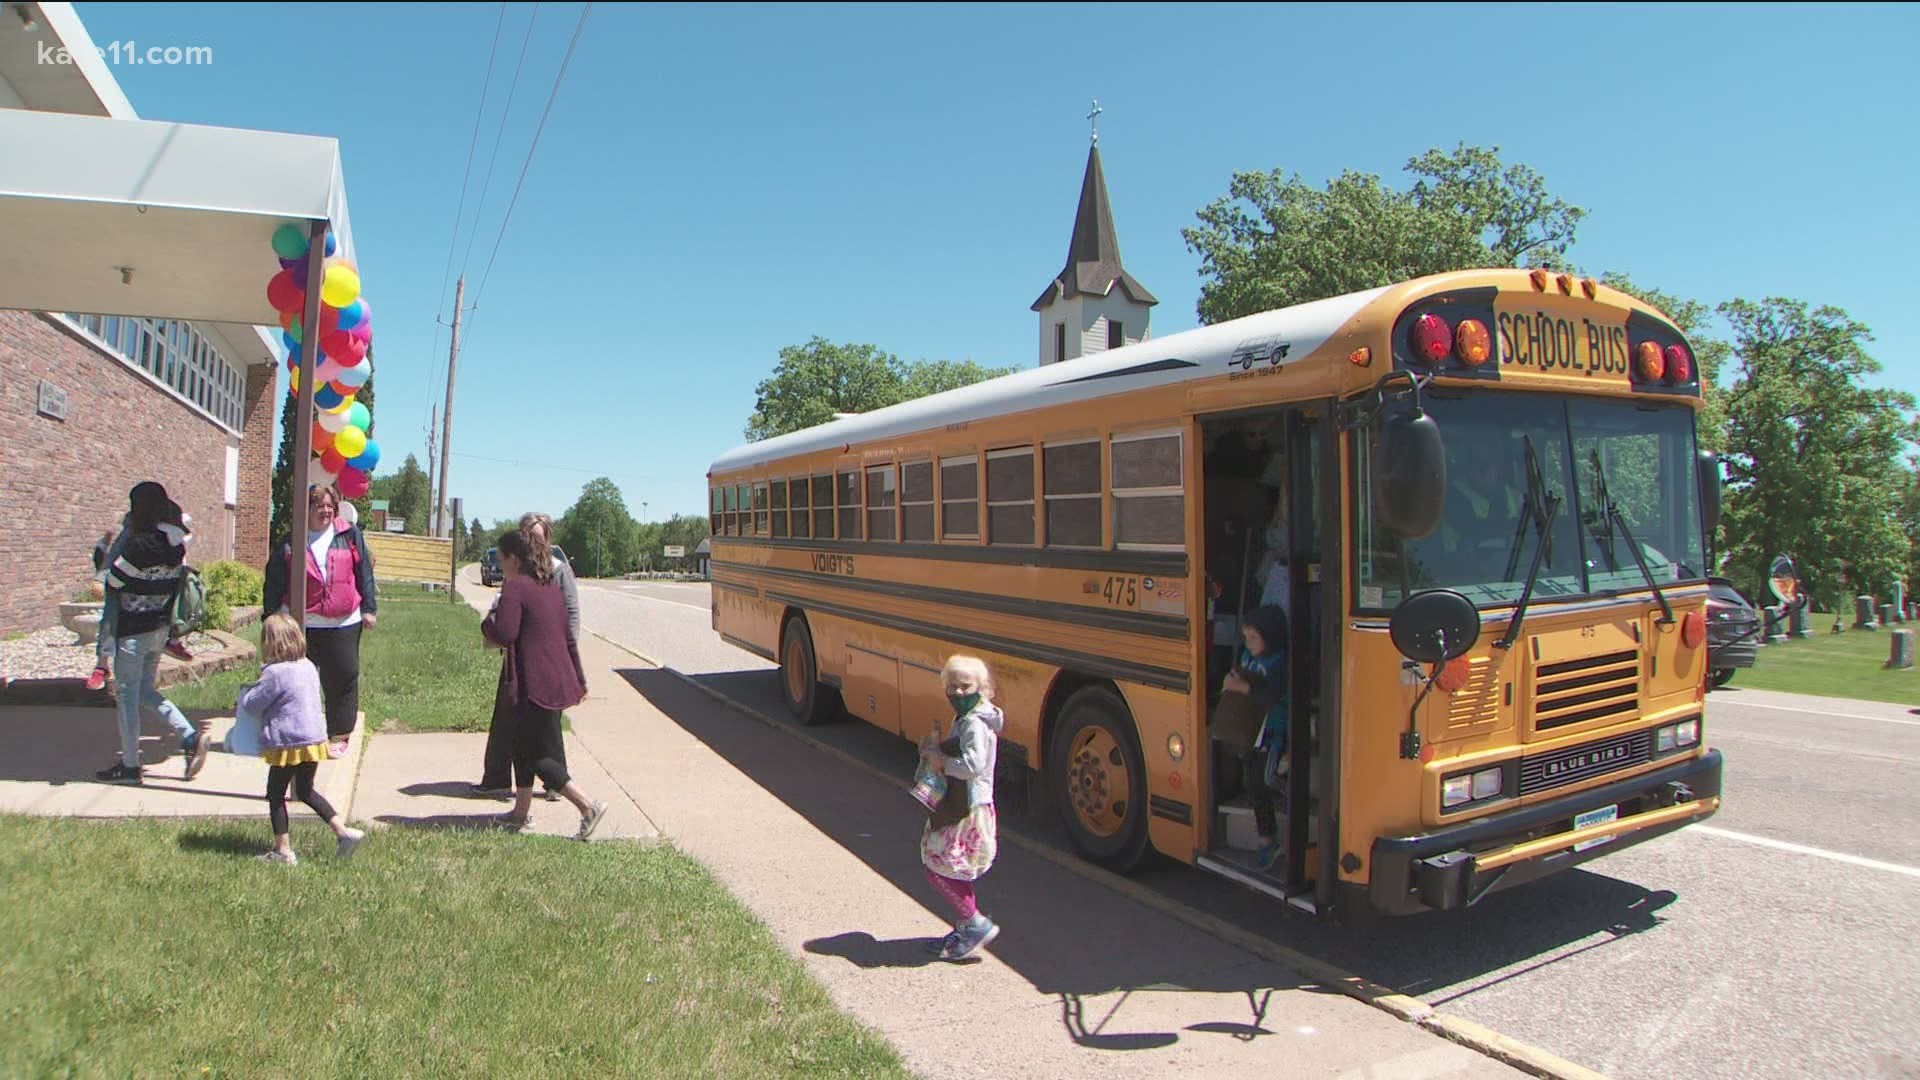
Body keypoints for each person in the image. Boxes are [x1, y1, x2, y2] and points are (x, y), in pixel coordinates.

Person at [481, 529, 606, 840]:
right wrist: (579, 677)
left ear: (513, 559)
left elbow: (505, 633)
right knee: (523, 747)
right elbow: (567, 637)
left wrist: (486, 622)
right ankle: (520, 813)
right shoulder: (549, 586)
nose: (500, 565)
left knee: (539, 756)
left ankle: (587, 806)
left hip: (532, 683)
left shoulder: (516, 587)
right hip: (556, 678)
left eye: (501, 558)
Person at [96, 485, 208, 784]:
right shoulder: (175, 546)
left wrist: (102, 559)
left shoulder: (138, 546)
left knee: (127, 698)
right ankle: (189, 736)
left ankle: (131, 766)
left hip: (132, 633)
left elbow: (114, 582)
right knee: (145, 691)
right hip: (159, 630)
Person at [239, 613, 367, 865]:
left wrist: (245, 696)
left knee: (275, 794)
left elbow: (253, 705)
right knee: (306, 790)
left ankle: (283, 851)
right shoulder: (307, 665)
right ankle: (343, 832)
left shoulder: (274, 673)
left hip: (288, 743)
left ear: (269, 643)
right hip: (314, 740)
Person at [263, 484, 377, 759]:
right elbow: (275, 577)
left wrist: (369, 608)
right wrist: (271, 615)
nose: (325, 511)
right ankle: (304, 732)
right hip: (303, 623)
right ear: (307, 509)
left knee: (343, 677)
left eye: (329, 506)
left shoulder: (349, 534)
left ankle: (339, 734)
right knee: (301, 682)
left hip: (344, 621)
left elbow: (364, 572)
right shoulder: (292, 539)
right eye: (318, 506)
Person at [473, 513, 578, 798]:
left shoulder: (557, 570)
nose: (532, 541)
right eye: (527, 535)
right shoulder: (517, 572)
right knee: (506, 718)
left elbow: (570, 614)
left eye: (538, 537)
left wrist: (568, 656)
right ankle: (497, 778)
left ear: (547, 540)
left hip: (545, 661)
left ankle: (557, 786)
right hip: (517, 658)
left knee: (547, 729)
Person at [918, 655, 1005, 961]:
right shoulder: (966, 719)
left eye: (965, 686)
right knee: (953, 869)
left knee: (938, 869)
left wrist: (944, 762)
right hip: (963, 805)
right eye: (951, 686)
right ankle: (967, 924)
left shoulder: (973, 723)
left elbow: (974, 764)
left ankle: (974, 923)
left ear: (983, 688)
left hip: (967, 809)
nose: (957, 693)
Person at [1221, 605, 1289, 871]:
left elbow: (1271, 695)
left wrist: (1241, 686)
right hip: (1251, 734)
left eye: (1253, 638)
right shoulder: (1251, 659)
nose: (1248, 644)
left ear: (1270, 637)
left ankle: (1270, 838)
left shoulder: (1280, 663)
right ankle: (1266, 839)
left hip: (1272, 735)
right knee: (1254, 785)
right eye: (1246, 638)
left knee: (1265, 781)